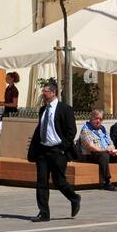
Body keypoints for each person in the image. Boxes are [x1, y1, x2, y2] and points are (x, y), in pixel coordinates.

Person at [27, 81, 80, 222]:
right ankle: (43, 213)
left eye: (45, 91)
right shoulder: (43, 109)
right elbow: (41, 129)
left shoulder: (65, 109)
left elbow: (71, 131)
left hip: (58, 150)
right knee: (41, 182)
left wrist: (63, 147)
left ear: (53, 93)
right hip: (43, 151)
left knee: (59, 181)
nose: (43, 93)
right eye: (43, 91)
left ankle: (74, 197)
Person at [77, 109, 117, 191]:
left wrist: (113, 150)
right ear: (91, 118)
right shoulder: (86, 130)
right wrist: (105, 151)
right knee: (104, 156)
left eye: (100, 119)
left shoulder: (102, 129)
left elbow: (110, 142)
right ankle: (107, 182)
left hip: (105, 153)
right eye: (96, 118)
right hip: (90, 155)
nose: (98, 121)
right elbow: (91, 147)